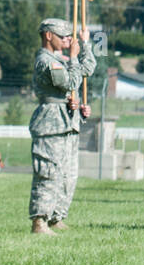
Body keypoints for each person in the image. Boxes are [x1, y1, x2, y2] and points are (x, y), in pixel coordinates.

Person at [27, 18, 94, 235]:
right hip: (50, 123)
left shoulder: (60, 60)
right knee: (48, 172)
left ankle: (56, 216)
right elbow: (70, 83)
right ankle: (39, 221)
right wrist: (74, 57)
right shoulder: (47, 61)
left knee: (67, 175)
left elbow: (87, 69)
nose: (67, 40)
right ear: (48, 36)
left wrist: (86, 46)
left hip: (65, 121)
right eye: (62, 36)